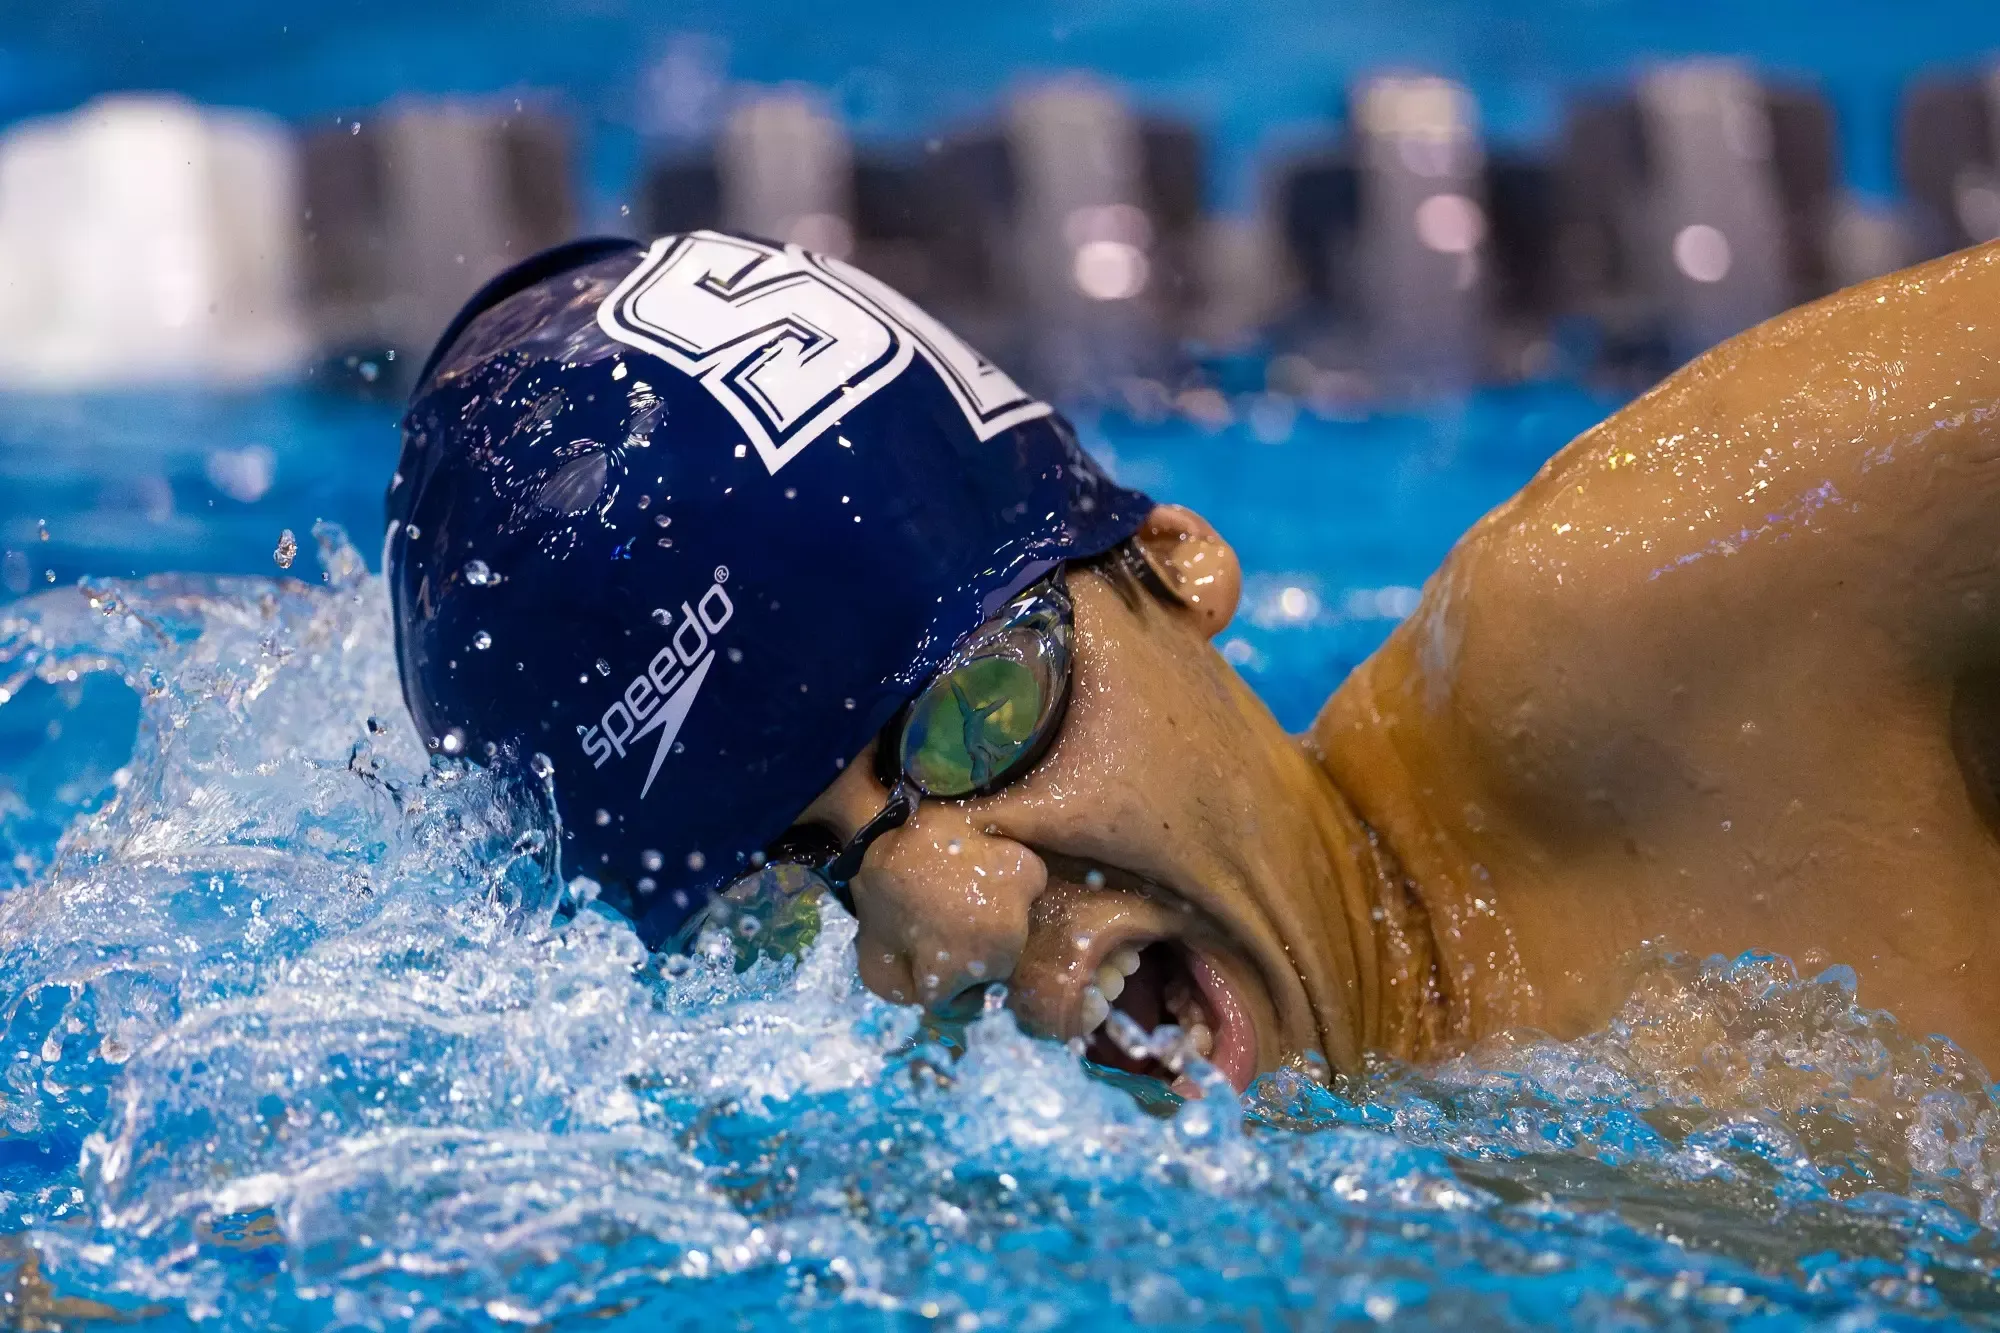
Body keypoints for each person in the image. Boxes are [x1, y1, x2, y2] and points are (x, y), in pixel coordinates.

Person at [389, 229, 2000, 1093]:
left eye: (981, 713)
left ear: (1171, 561)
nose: (950, 917)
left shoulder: (1659, 620)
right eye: (793, 877)